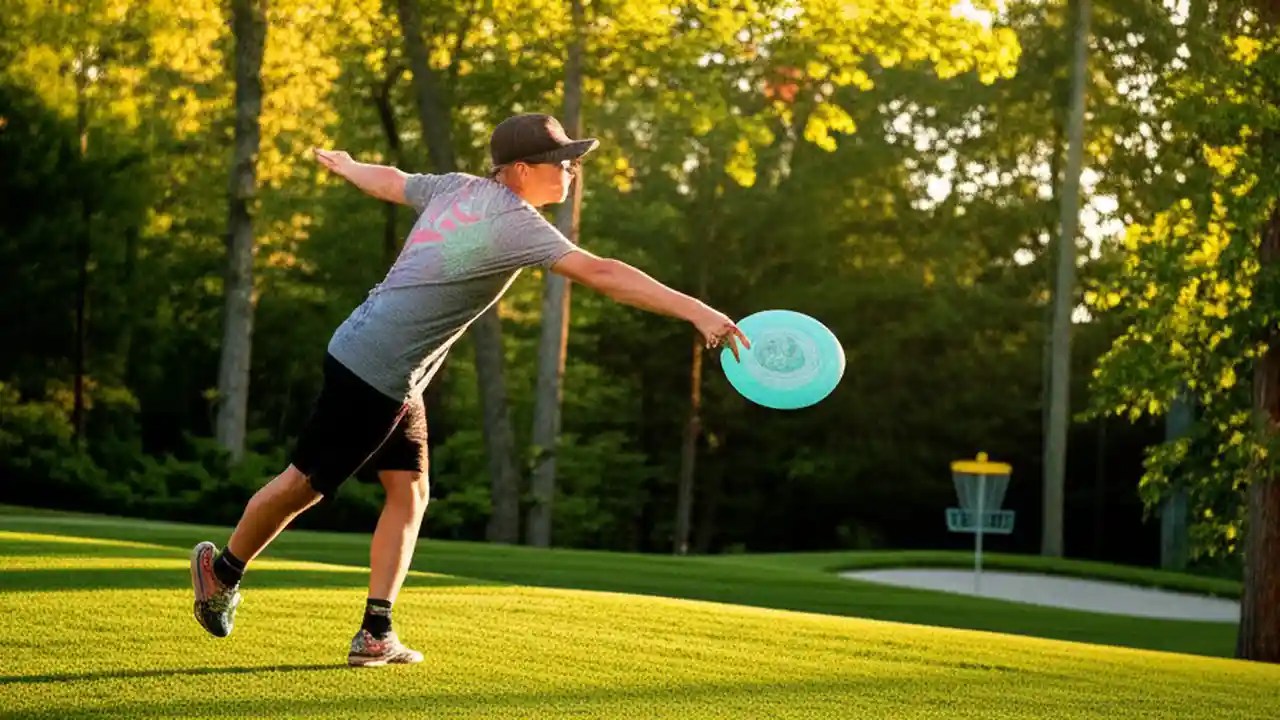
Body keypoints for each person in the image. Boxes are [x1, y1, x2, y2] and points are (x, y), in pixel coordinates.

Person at [189, 113, 749, 667]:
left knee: (410, 491)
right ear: (523, 169)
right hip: (376, 368)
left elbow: (392, 181)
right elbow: (601, 272)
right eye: (565, 162)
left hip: (383, 360)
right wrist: (697, 311)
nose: (573, 170)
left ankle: (376, 632)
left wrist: (352, 166)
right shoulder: (515, 222)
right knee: (304, 485)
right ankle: (224, 573)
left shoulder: (459, 188)